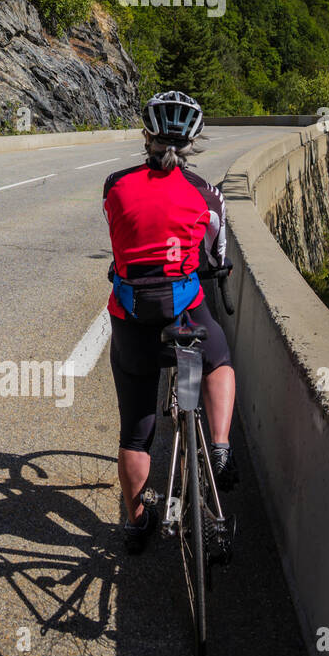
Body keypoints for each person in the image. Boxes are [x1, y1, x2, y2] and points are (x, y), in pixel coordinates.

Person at [101, 90, 238, 555]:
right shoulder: (206, 193)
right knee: (217, 357)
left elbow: (120, 235)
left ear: (146, 135)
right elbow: (216, 256)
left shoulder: (115, 185)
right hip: (183, 313)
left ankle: (137, 523)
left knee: (135, 432)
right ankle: (219, 446)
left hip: (133, 318)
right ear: (194, 142)